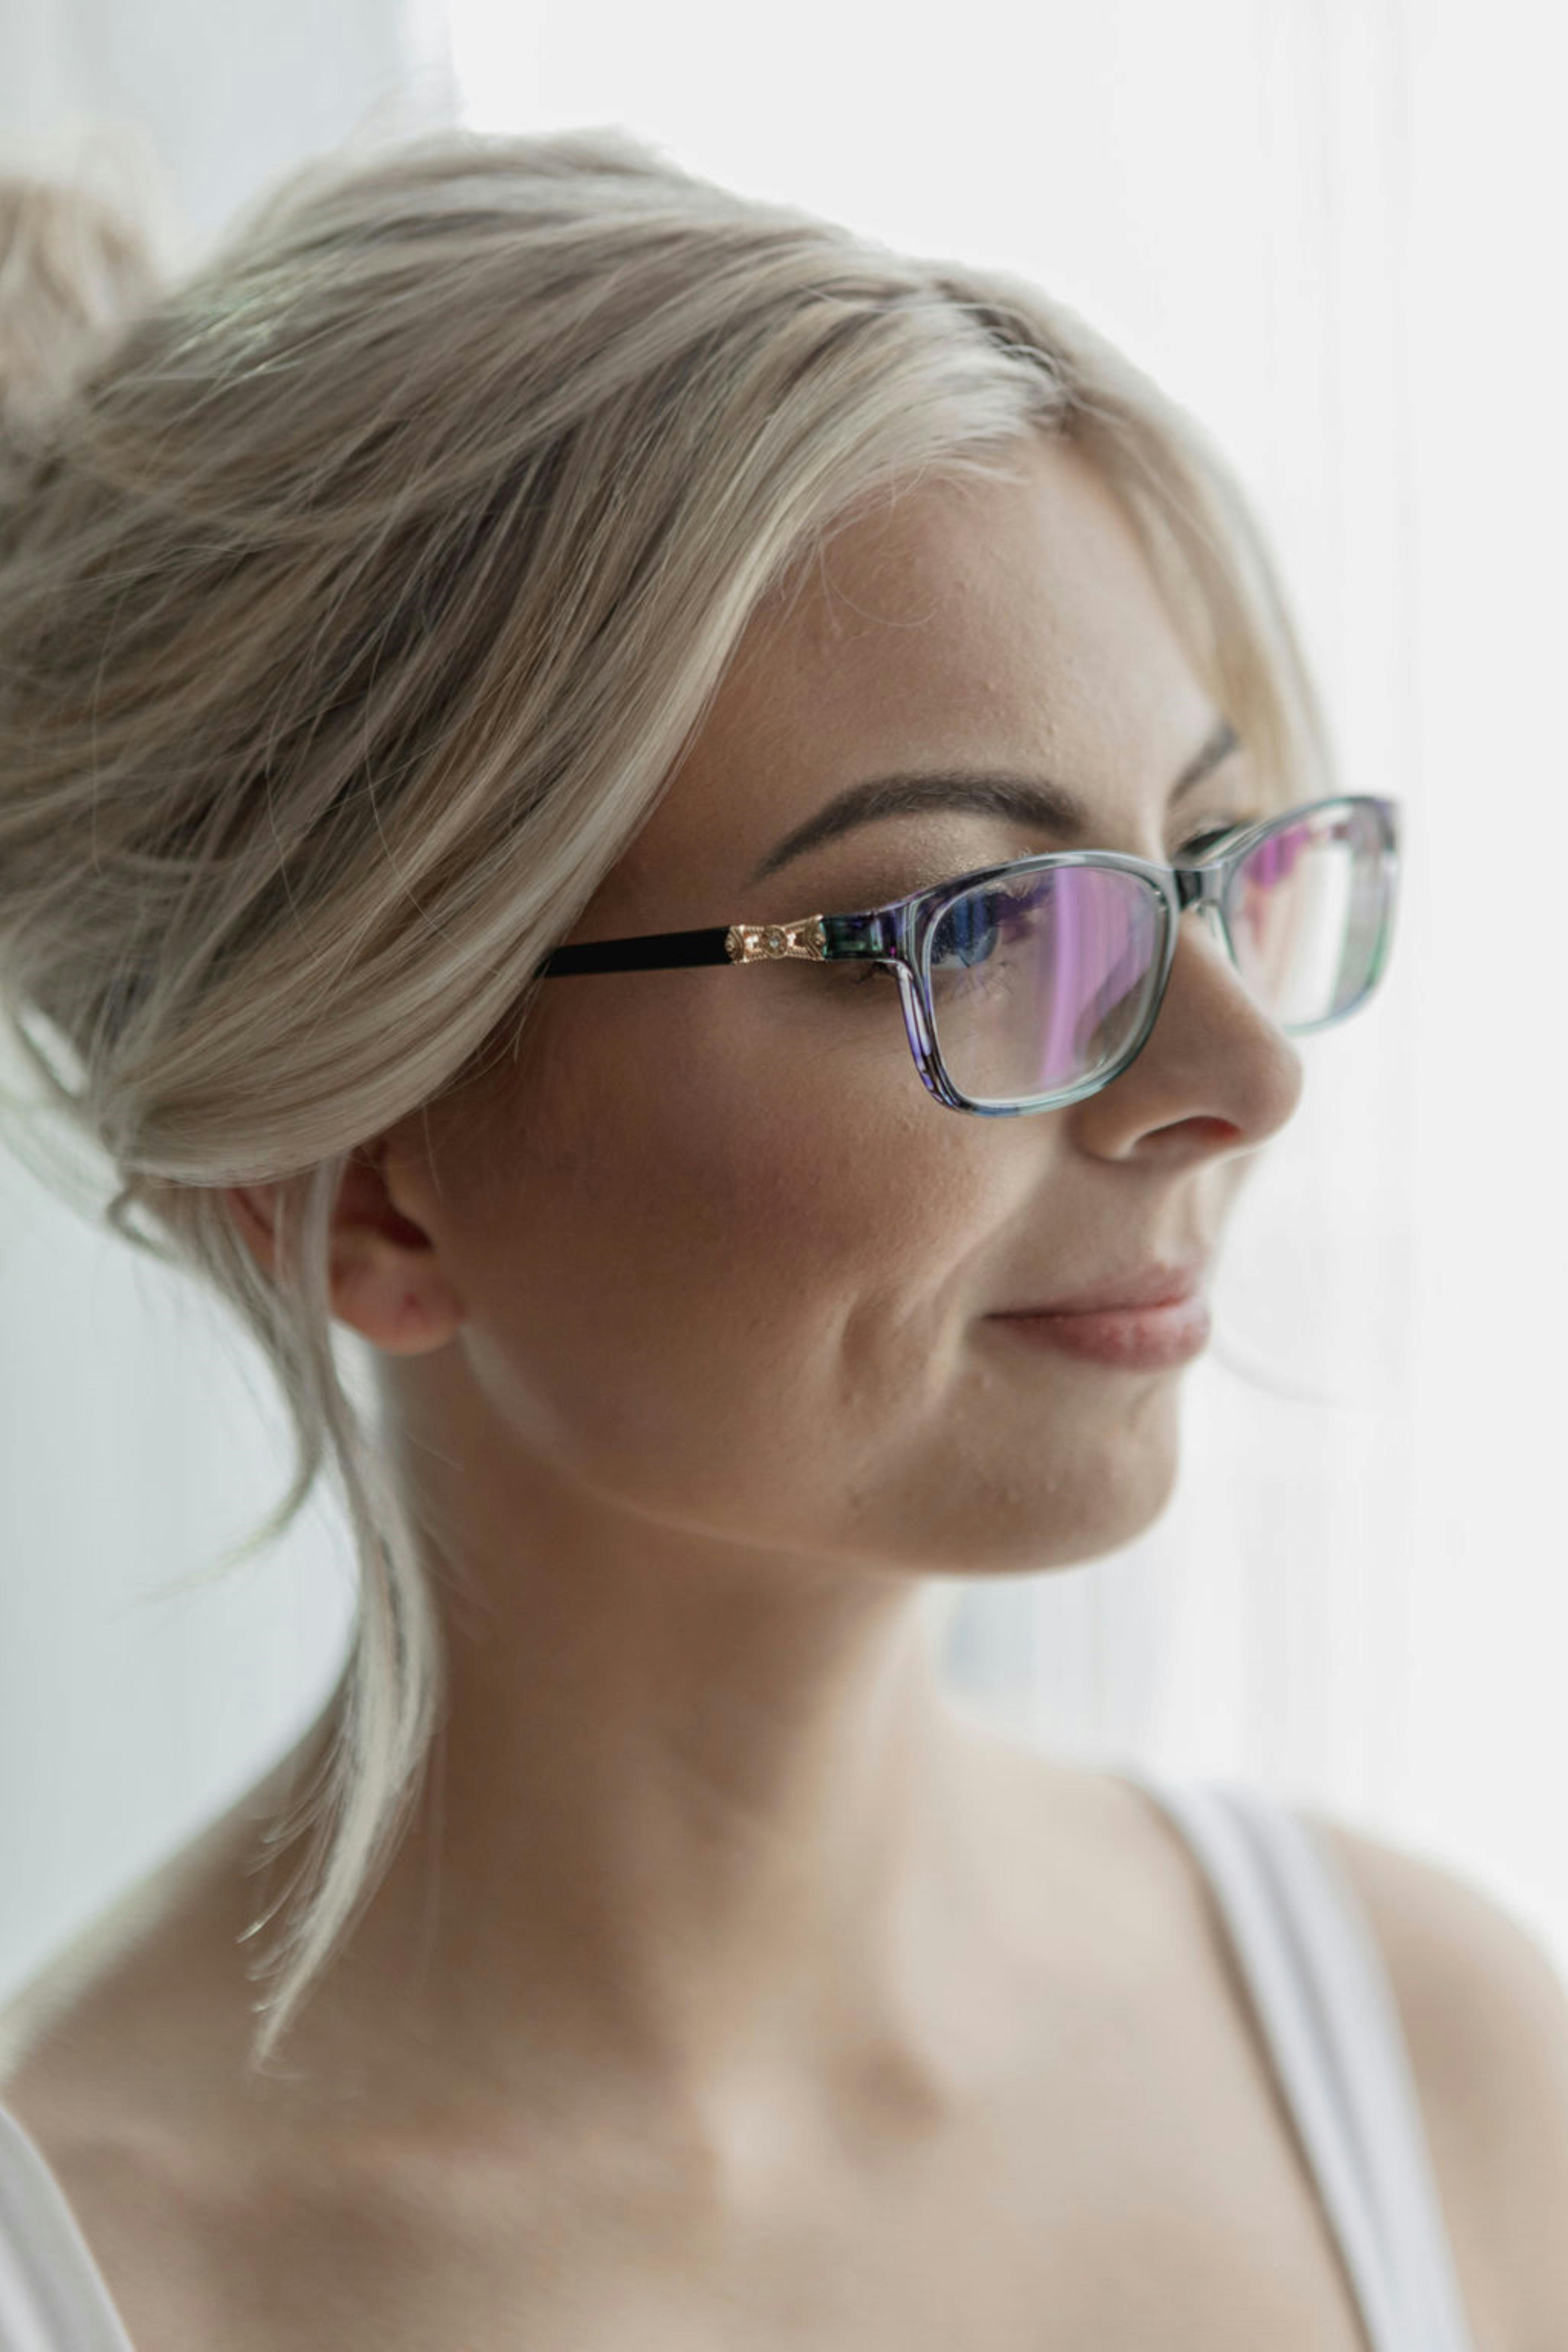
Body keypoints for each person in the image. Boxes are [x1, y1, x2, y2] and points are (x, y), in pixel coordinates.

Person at [0, 127, 1564, 2352]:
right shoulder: (94, 2279)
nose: (1240, 1071)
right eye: (967, 925)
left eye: (1211, 865)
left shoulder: (1435, 2072)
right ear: (364, 1178)